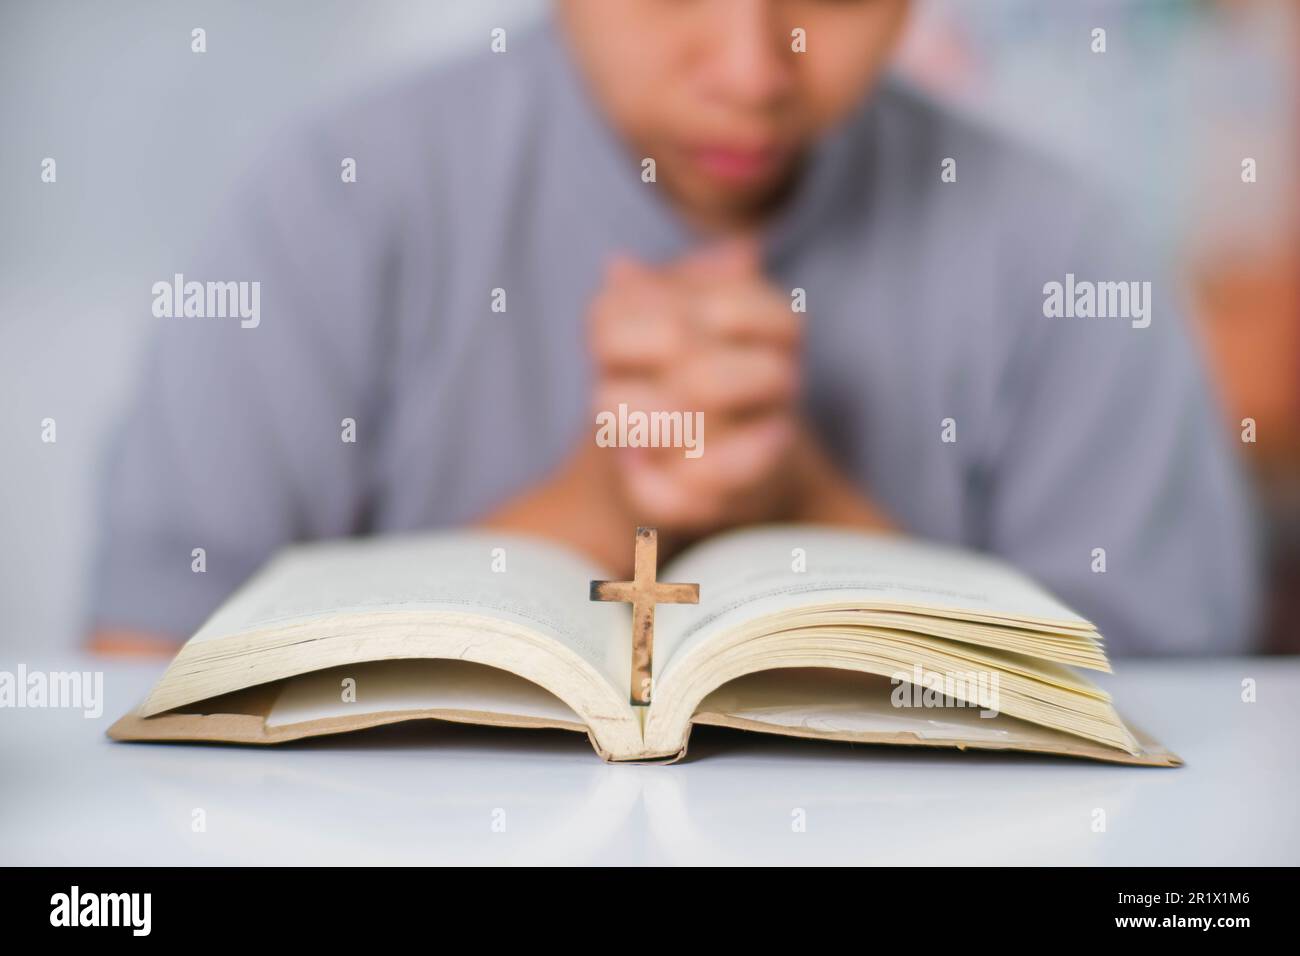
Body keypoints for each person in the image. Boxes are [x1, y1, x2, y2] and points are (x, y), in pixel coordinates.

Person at [89, 0, 1258, 656]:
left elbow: (1185, 725)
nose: (750, 69)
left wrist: (805, 511)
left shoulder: (1062, 243)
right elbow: (142, 668)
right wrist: (594, 508)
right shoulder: (334, 193)